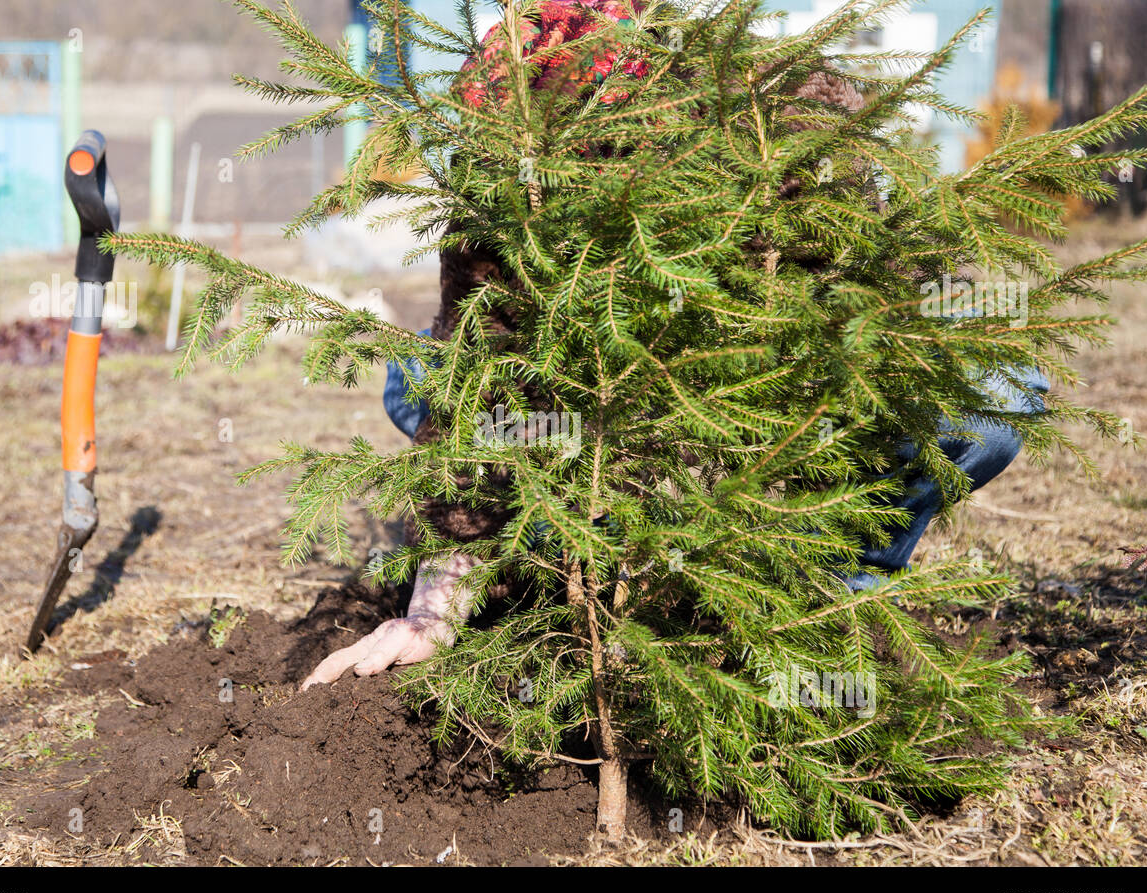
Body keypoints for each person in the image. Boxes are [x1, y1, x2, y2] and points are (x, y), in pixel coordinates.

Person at [300, 1, 1048, 686]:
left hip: (761, 397)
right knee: (420, 380)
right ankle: (566, 547)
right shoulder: (507, 141)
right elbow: (483, 354)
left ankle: (828, 598)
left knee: (993, 398)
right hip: (596, 409)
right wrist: (435, 607)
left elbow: (893, 277)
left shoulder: (784, 114)